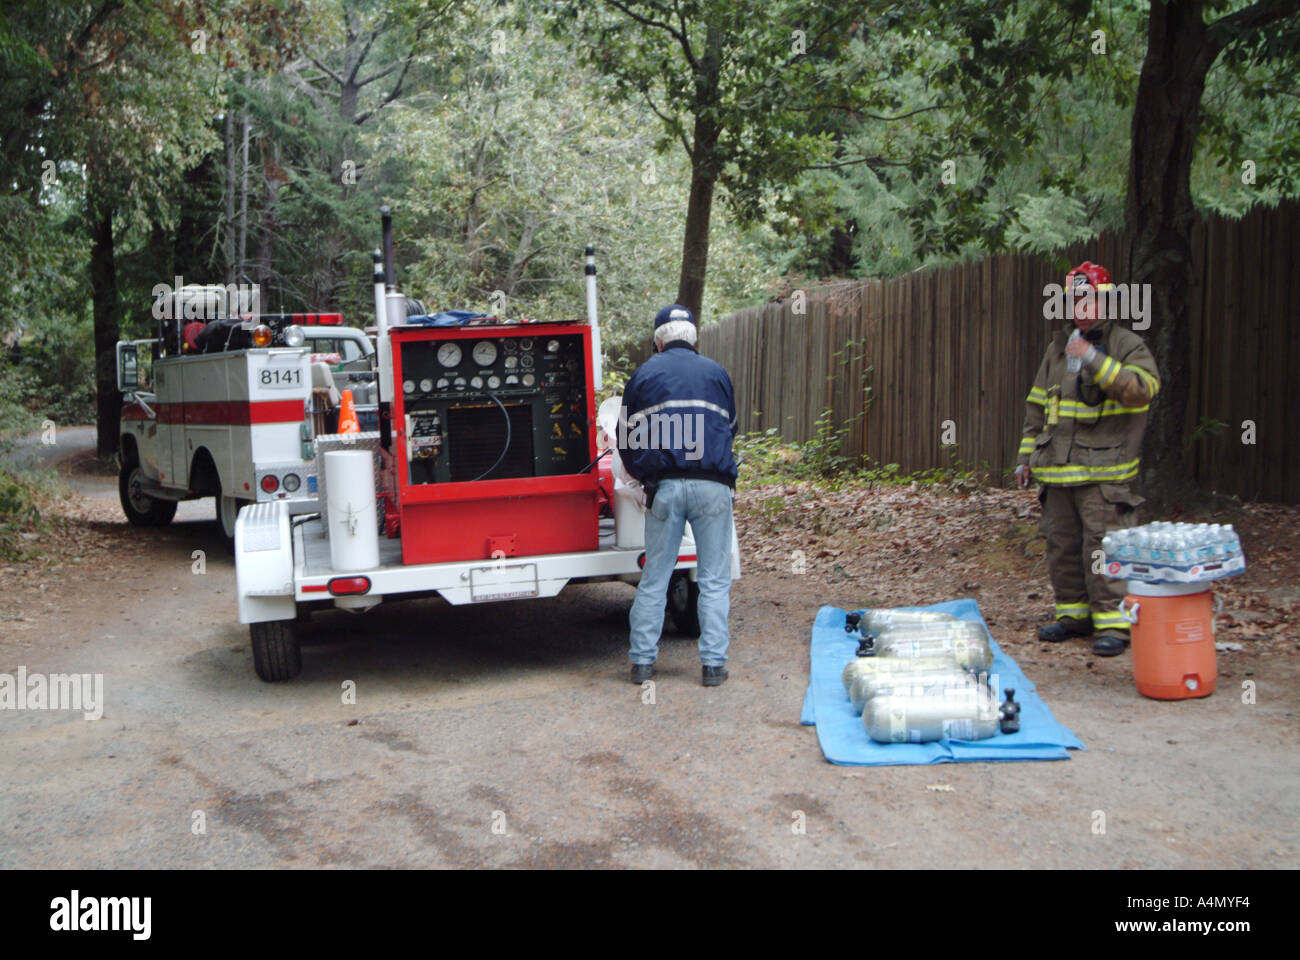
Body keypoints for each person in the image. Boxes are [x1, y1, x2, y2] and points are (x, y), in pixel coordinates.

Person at [1015, 262, 1161, 656]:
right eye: (1076, 298)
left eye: (1090, 297)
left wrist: (1094, 361)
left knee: (1102, 548)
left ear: (1108, 300)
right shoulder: (1057, 348)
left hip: (1104, 475)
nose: (1082, 305)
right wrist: (1025, 459)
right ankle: (1073, 616)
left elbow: (1142, 390)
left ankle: (1112, 624)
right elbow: (1037, 407)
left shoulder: (1126, 344)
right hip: (1058, 473)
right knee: (1062, 546)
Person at [618, 304, 738, 686]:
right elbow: (730, 428)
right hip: (713, 487)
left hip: (665, 487)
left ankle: (641, 664)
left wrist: (644, 476)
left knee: (655, 576)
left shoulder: (643, 375)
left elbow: (625, 440)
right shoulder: (717, 373)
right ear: (694, 339)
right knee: (715, 579)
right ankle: (714, 666)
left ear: (658, 342)